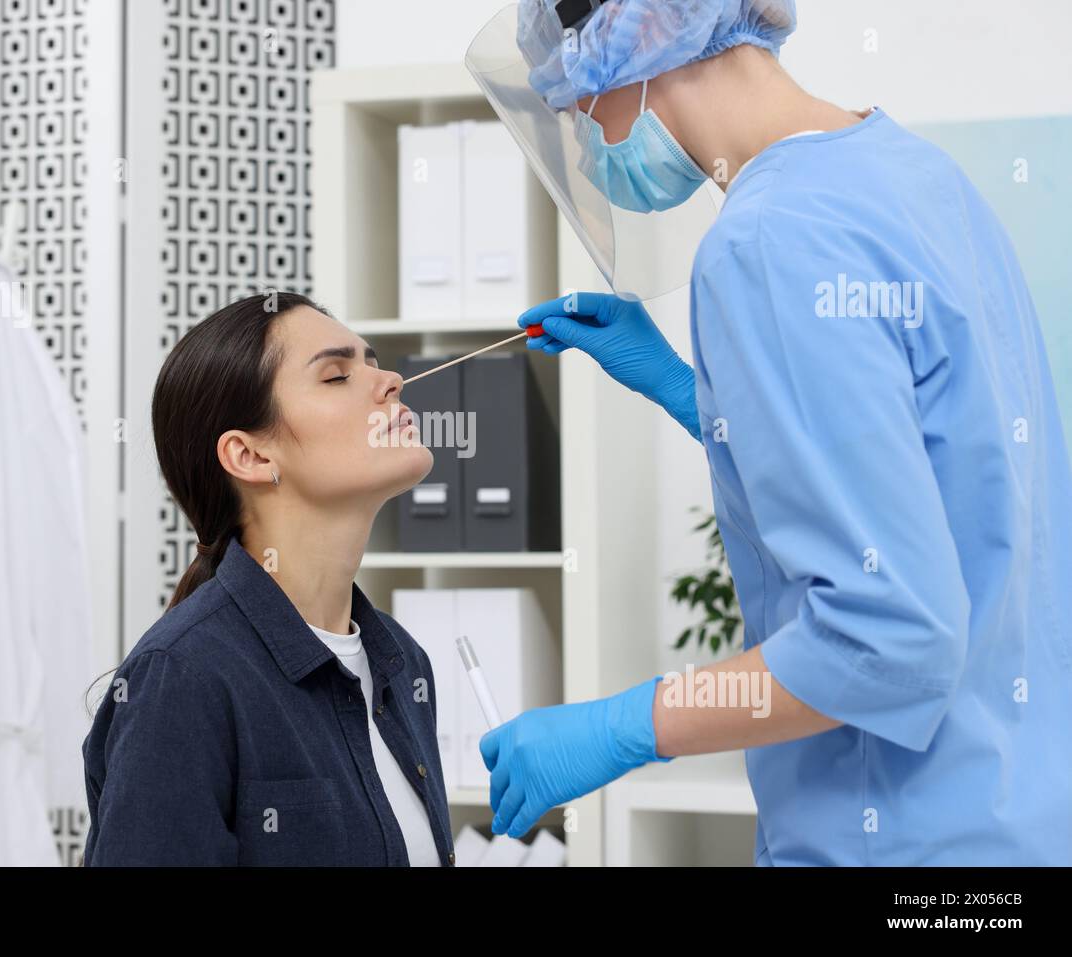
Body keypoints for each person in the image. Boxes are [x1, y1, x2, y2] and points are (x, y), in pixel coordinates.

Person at [479, 0, 1072, 864]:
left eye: (576, 103)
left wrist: (621, 726)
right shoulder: (920, 177)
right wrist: (692, 393)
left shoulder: (765, 239)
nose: (586, 136)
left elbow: (888, 640)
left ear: (643, 36)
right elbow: (936, 465)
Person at [82, 292, 456, 865]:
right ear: (251, 457)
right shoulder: (182, 680)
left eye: (373, 362)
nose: (390, 381)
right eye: (336, 376)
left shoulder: (403, 663)